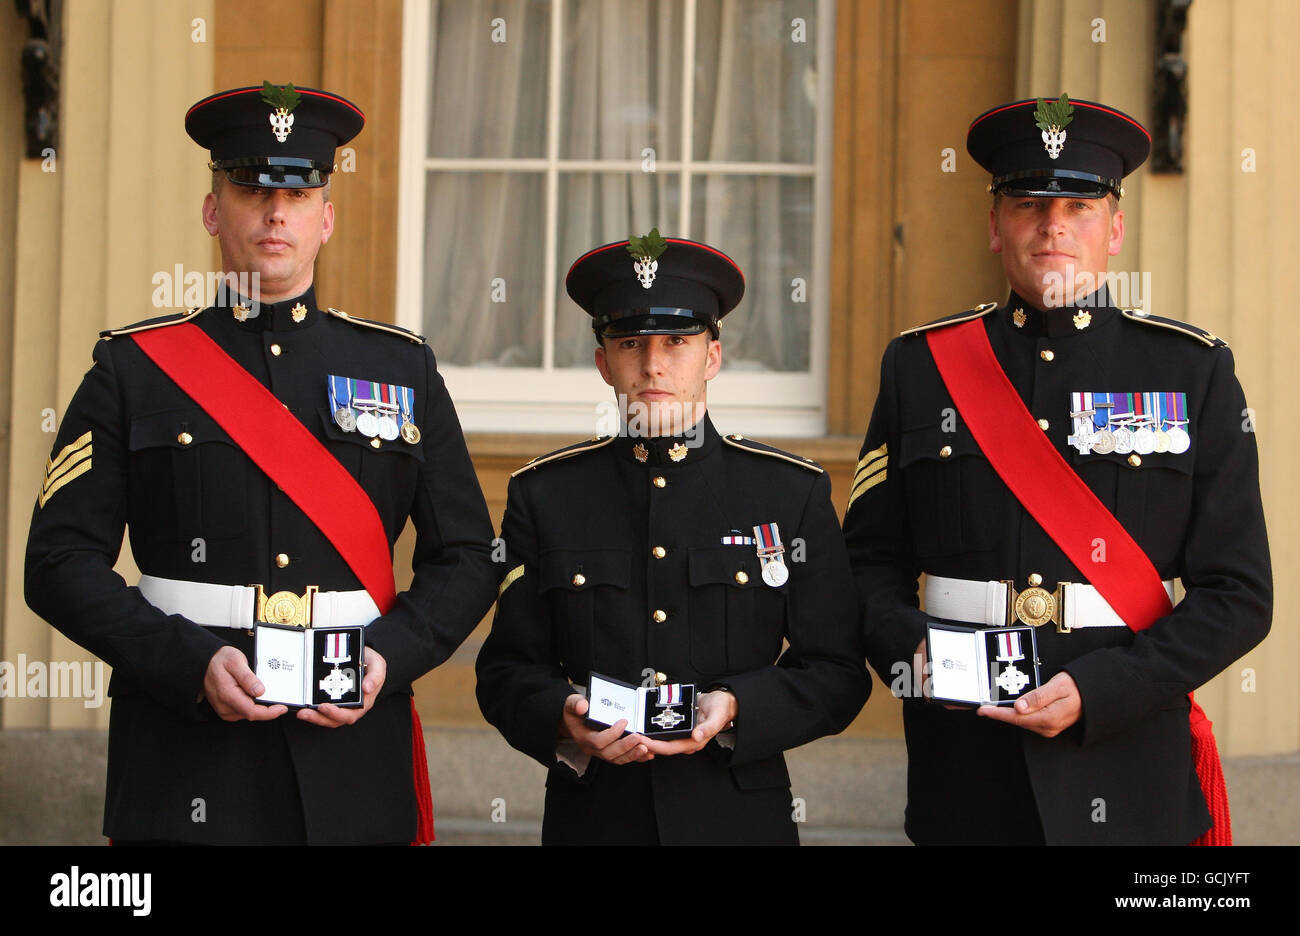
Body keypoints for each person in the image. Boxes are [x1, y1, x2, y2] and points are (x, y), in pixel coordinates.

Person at [24, 82, 499, 844]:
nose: (276, 212)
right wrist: (186, 662)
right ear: (213, 210)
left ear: (326, 217)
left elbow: (471, 556)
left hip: (349, 754)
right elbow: (56, 562)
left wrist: (386, 658)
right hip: (185, 758)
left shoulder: (402, 370)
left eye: (300, 190)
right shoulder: (133, 369)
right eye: (250, 188)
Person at [843, 95, 1272, 844]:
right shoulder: (922, 368)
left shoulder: (1192, 371)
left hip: (1127, 756)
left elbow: (1238, 593)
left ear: (1115, 229)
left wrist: (1105, 690)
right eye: (1029, 204)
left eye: (1079, 204)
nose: (1054, 227)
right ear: (994, 224)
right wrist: (914, 654)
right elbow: (866, 564)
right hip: (964, 759)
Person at [475, 232, 870, 844]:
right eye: (631, 343)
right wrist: (561, 717)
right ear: (603, 361)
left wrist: (737, 706)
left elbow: (838, 671)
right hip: (595, 817)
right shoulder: (545, 495)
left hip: (736, 818)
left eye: (677, 342)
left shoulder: (788, 493)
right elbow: (506, 670)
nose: (654, 364)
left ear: (712, 356)